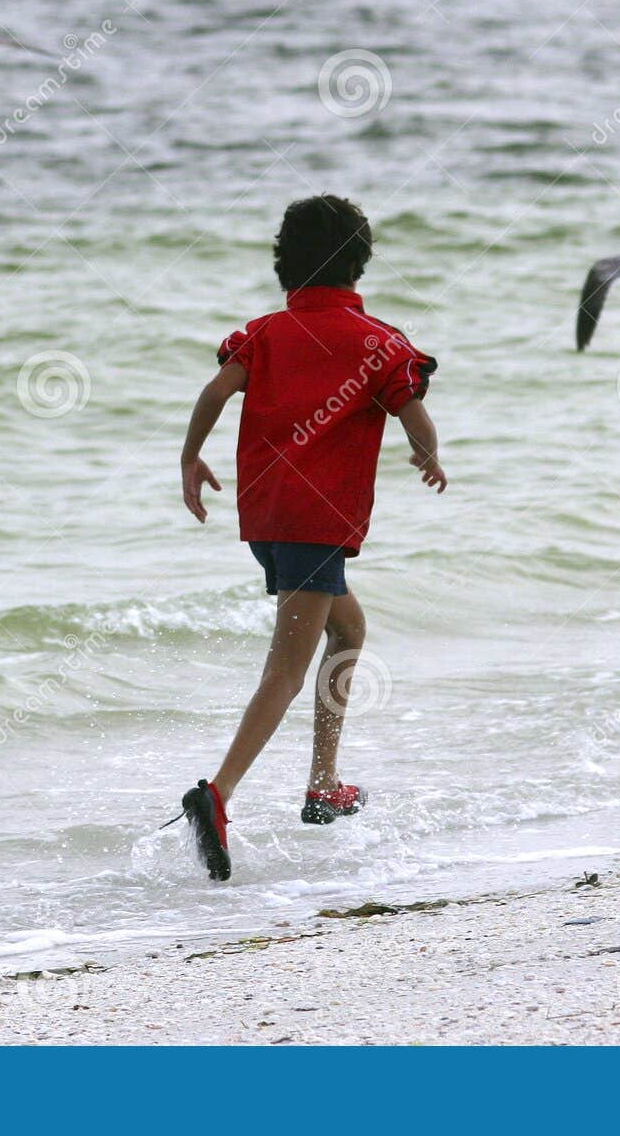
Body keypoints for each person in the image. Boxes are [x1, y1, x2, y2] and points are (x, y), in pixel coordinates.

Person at [170, 194, 445, 881]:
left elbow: (214, 391)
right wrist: (427, 454)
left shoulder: (263, 334)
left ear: (283, 264)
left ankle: (325, 785)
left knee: (348, 629)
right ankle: (218, 793)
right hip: (320, 525)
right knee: (285, 671)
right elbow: (411, 409)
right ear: (359, 265)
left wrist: (190, 458)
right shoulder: (378, 341)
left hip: (269, 519)